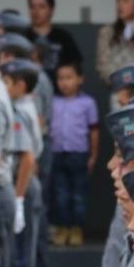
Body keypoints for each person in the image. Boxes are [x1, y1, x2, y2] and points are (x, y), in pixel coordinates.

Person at [2, 59, 43, 267]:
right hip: (25, 185)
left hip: (23, 185)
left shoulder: (19, 111)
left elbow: (27, 158)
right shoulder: (26, 106)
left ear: (21, 85)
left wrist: (17, 198)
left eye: (8, 81)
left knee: (20, 259)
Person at [49, 60, 98, 247]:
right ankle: (62, 228)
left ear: (80, 79)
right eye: (61, 78)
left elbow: (94, 131)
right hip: (58, 153)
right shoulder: (53, 102)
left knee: (78, 194)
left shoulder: (87, 103)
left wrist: (93, 155)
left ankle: (76, 229)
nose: (64, 82)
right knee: (60, 194)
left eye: (69, 77)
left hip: (79, 153)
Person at [96, 0, 134, 94]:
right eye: (118, 1)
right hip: (119, 91)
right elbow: (103, 65)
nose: (120, 5)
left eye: (126, 1)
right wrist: (120, 85)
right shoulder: (107, 32)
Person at [28, 0, 81, 81]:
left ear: (51, 10)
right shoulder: (22, 37)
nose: (36, 11)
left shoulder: (63, 37)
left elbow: (74, 65)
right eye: (32, 7)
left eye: (41, 7)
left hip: (59, 92)